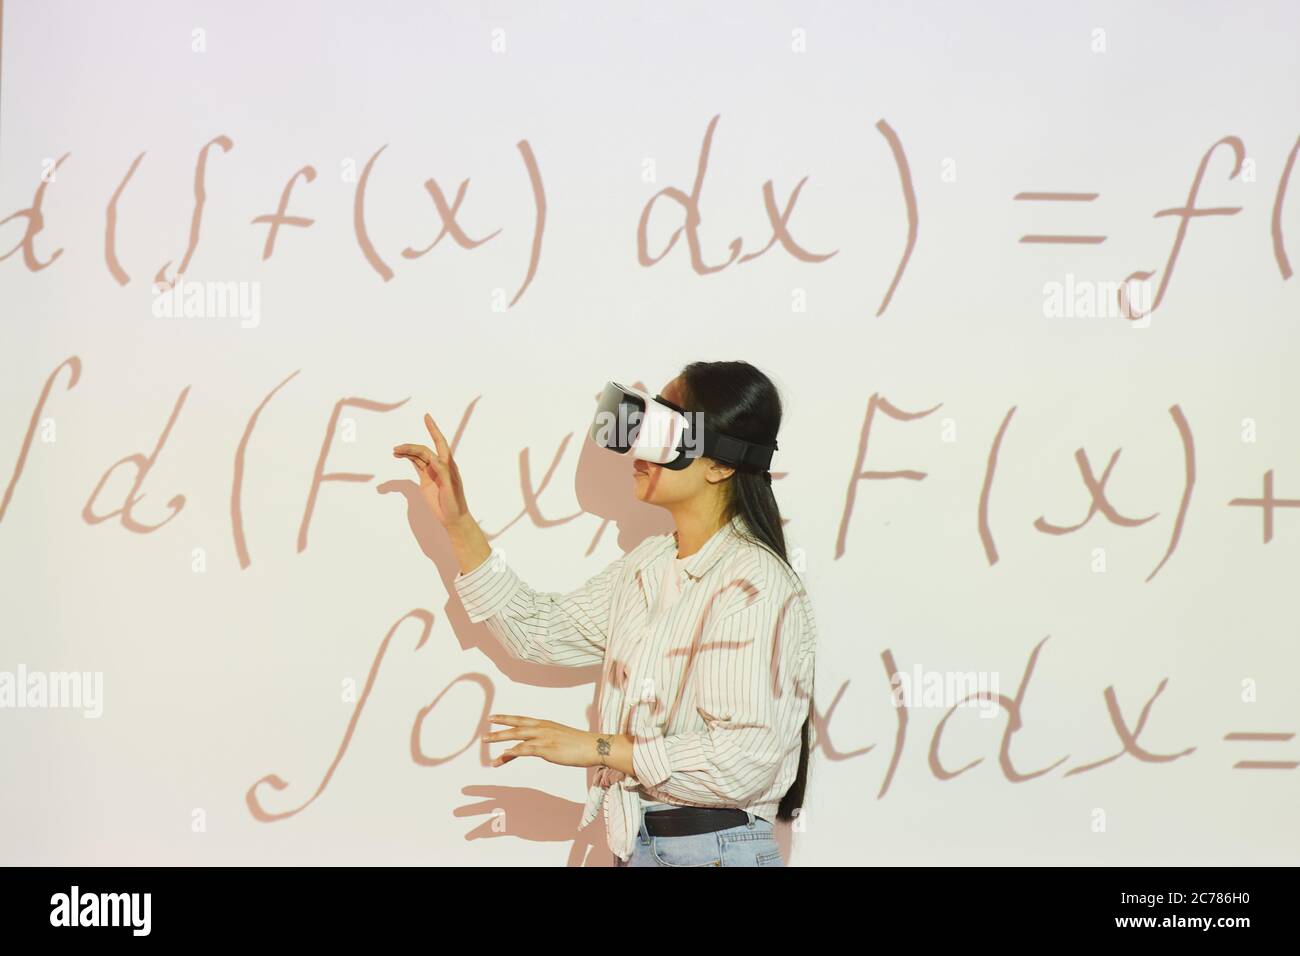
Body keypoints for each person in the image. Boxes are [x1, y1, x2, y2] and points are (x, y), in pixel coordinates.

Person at [393, 359, 817, 866]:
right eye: (641, 424)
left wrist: (598, 748)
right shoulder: (650, 565)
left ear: (721, 464)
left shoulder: (756, 583)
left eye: (663, 431)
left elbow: (744, 760)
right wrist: (458, 523)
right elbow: (541, 632)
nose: (638, 447)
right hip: (644, 847)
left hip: (712, 850)